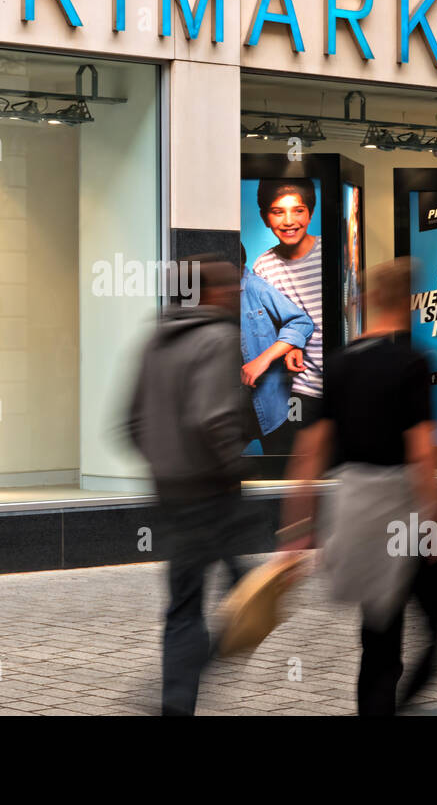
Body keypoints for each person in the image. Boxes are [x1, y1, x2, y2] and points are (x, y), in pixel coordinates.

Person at [280, 258, 437, 715]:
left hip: (355, 510)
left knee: (378, 639)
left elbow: (309, 453)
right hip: (403, 512)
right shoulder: (412, 362)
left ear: (368, 299)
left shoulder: (337, 364)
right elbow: (423, 450)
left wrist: (296, 529)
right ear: (411, 302)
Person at [125, 255, 248, 716]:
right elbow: (212, 418)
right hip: (213, 491)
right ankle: (178, 694)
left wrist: (164, 466)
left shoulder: (155, 340)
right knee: (244, 599)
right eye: (229, 287)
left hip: (172, 494)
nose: (236, 295)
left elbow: (133, 421)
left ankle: (177, 694)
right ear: (209, 292)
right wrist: (232, 466)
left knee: (185, 603)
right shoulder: (219, 338)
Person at [251, 180, 324, 442]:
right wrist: (291, 345)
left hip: (342, 380)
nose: (289, 220)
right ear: (264, 217)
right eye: (278, 211)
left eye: (298, 210)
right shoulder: (264, 266)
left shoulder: (331, 253)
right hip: (300, 385)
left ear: (311, 213)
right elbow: (268, 326)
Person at [239, 243, 313, 458]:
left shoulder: (255, 287)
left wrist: (263, 360)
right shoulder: (214, 294)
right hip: (231, 402)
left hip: (265, 400)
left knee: (280, 469)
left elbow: (301, 322)